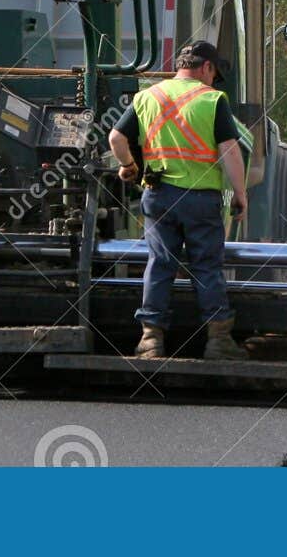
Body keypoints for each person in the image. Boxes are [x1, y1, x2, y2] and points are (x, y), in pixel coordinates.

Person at [108, 41, 250, 361]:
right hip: (201, 199)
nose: (214, 81)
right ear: (207, 68)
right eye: (214, 74)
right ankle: (218, 342)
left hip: (158, 196)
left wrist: (129, 166)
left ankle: (150, 341)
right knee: (207, 267)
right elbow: (230, 151)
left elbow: (116, 138)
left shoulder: (147, 97)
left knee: (159, 264)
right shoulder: (212, 100)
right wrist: (240, 194)